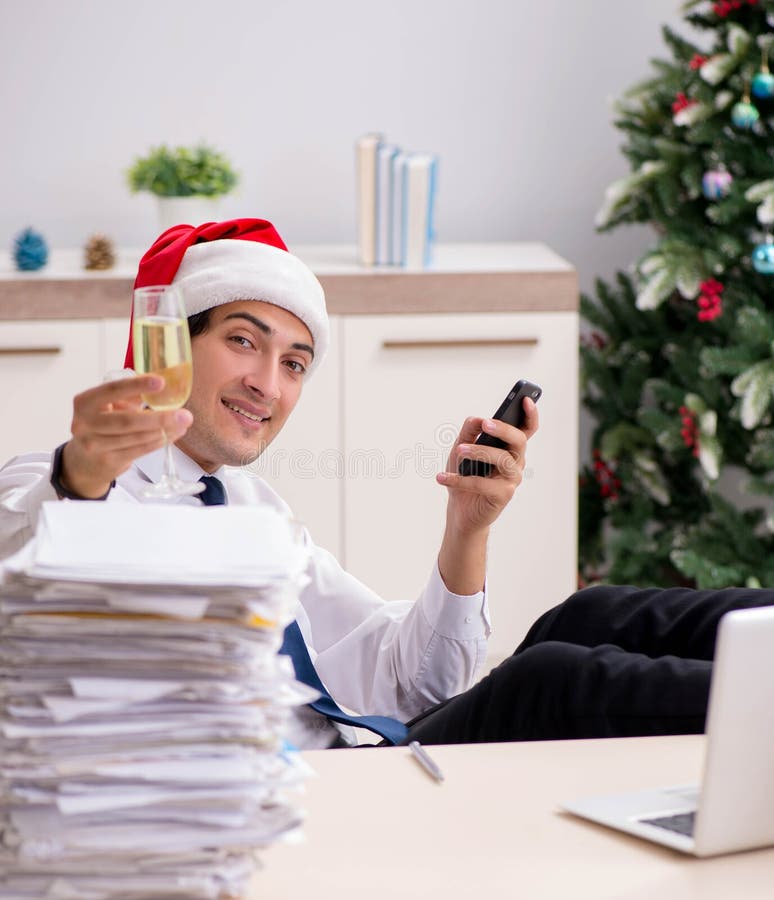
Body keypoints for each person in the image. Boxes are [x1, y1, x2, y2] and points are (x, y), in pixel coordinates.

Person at [0, 218, 769, 748]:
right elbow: (27, 559)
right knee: (551, 680)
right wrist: (84, 475)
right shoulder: (55, 483)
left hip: (364, 754)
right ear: (171, 342)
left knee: (592, 610)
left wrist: (467, 528)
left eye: (294, 363)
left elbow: (410, 683)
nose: (267, 384)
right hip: (287, 795)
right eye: (243, 341)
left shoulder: (258, 514)